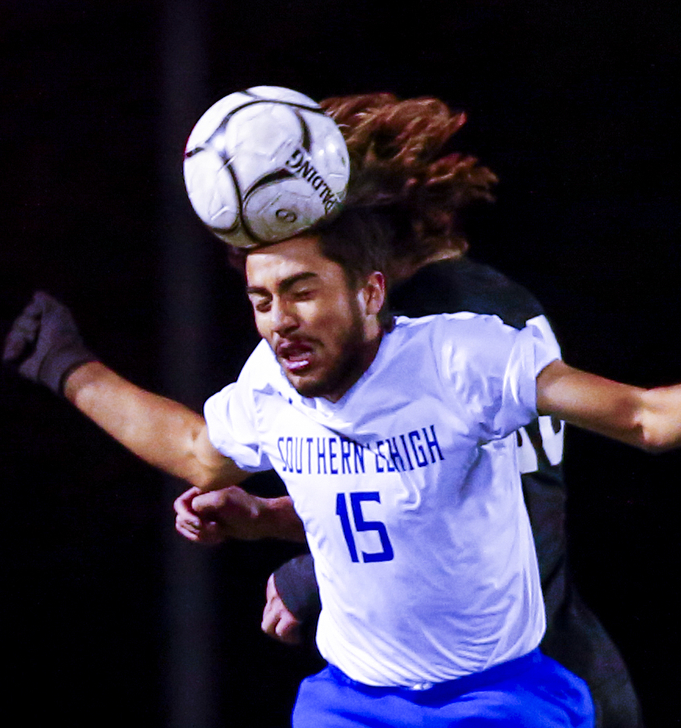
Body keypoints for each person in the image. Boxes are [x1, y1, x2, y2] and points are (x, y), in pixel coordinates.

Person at [3, 100, 681, 728]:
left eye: (301, 288)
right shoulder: (280, 378)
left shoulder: (463, 339)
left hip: (504, 683)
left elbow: (629, 424)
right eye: (261, 299)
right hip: (359, 698)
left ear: (368, 279)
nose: (279, 318)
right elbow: (200, 449)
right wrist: (73, 369)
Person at [174, 94, 644, 728]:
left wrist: (314, 573)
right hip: (550, 654)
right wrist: (273, 519)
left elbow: (507, 502)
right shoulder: (488, 295)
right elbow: (427, 487)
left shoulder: (438, 330)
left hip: (499, 681)